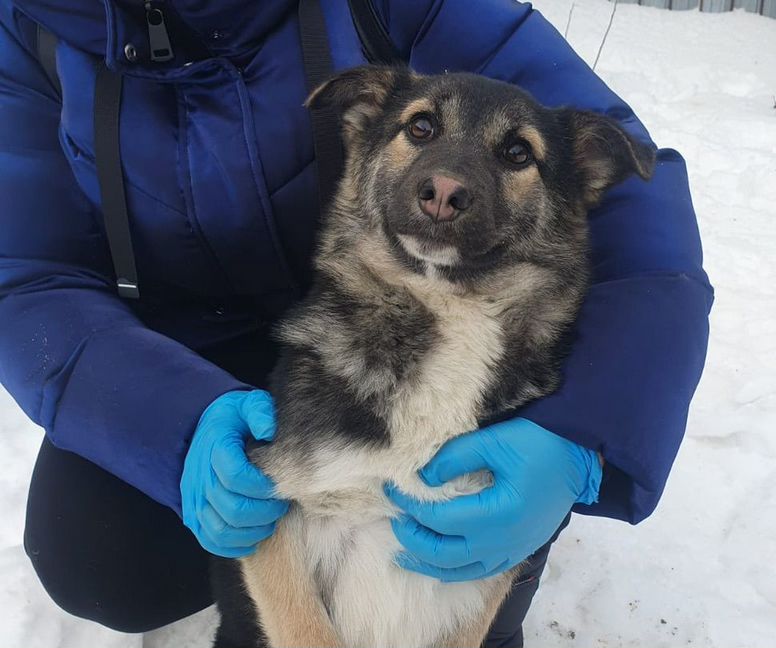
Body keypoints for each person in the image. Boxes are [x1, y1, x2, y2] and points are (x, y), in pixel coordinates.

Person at [0, 1, 712, 646]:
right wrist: (172, 430)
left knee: (475, 546)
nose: (447, 186)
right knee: (93, 550)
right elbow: (26, 277)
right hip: (175, 353)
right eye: (423, 131)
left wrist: (584, 434)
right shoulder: (31, 27)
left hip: (398, 316)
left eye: (514, 155)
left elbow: (644, 224)